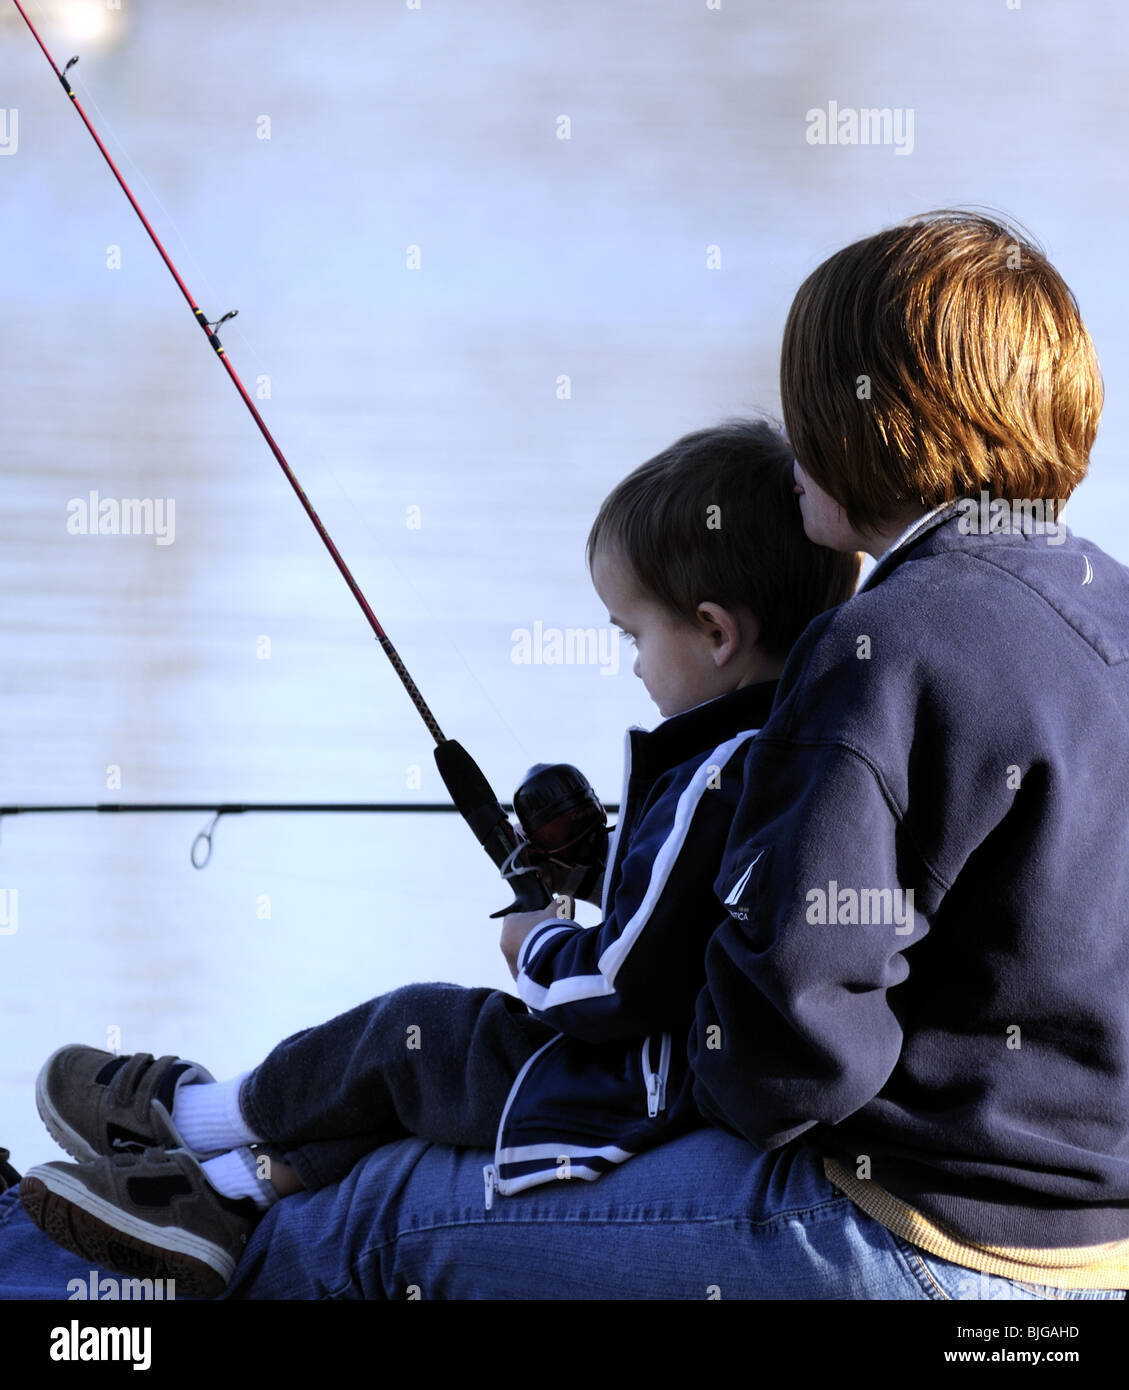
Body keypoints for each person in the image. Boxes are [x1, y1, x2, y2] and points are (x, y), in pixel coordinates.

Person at [13, 418, 859, 1298]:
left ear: (716, 635)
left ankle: (188, 1127)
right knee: (414, 1081)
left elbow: (617, 984)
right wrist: (596, 870)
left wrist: (535, 943)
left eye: (631, 636)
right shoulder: (788, 748)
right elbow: (689, 917)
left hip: (636, 1084)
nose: (633, 667)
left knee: (411, 1035)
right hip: (672, 1070)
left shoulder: (717, 771)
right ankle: (226, 1190)